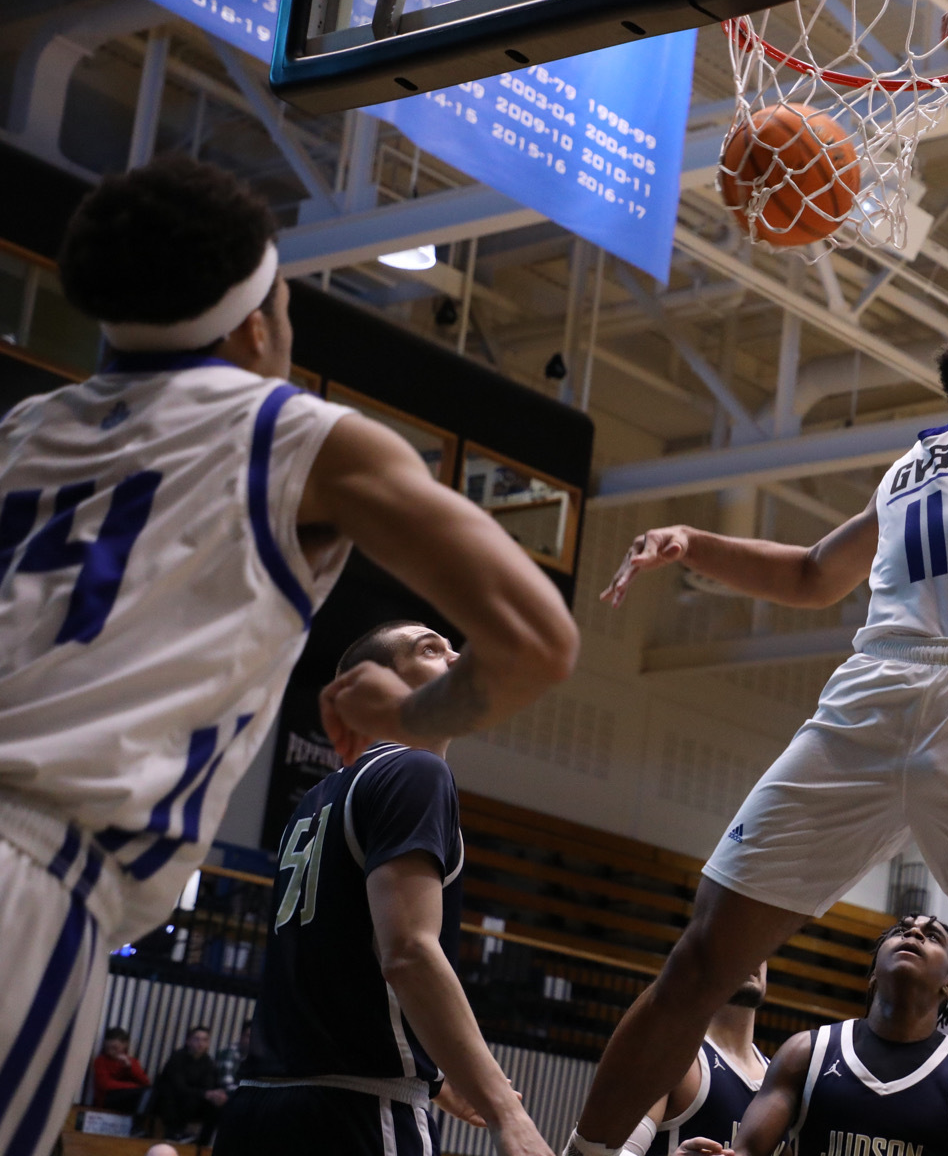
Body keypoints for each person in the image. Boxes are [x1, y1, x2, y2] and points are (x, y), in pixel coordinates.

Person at [572, 0, 948, 1156]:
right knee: (704, 954)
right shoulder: (915, 460)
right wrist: (698, 544)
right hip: (874, 690)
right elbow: (817, 574)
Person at [0, 156, 578, 1156]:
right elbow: (538, 639)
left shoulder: (25, 429)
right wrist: (407, 719)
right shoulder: (293, 434)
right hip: (29, 865)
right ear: (255, 322)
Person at [217, 622, 553, 1156]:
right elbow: (409, 954)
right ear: (378, 686)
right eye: (431, 648)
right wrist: (506, 1114)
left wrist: (438, 1078)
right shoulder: (415, 772)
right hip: (355, 1113)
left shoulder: (315, 799)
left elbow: (335, 962)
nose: (458, 656)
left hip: (258, 1109)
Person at [727, 915, 948, 1156]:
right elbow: (746, 1151)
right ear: (873, 973)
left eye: (933, 936)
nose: (914, 932)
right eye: (901, 930)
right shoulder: (807, 1053)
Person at [625, 964, 769, 1156]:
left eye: (761, 943)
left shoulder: (783, 1078)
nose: (754, 954)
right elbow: (612, 1151)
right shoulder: (671, 1052)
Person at [155, 1026, 225, 1143]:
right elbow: (178, 1087)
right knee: (181, 1097)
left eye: (204, 1040)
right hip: (173, 1100)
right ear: (188, 1041)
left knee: (218, 1105)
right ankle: (174, 1134)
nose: (200, 1043)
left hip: (197, 1100)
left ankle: (204, 1142)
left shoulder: (208, 1061)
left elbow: (212, 1084)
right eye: (196, 1039)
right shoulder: (177, 1058)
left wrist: (217, 1094)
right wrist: (205, 1093)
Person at [92, 1027, 151, 1115]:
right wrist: (133, 1086)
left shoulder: (131, 1061)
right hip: (108, 1098)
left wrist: (130, 1067)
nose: (110, 1051)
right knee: (140, 1092)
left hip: (129, 1097)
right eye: (107, 1048)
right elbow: (105, 1084)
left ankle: (139, 1121)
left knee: (149, 1092)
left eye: (115, 1048)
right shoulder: (100, 1061)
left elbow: (146, 1082)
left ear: (125, 1045)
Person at [213, 1021, 251, 1093]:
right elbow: (227, 1084)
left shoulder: (256, 1055)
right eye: (248, 1036)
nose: (252, 1040)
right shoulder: (229, 1053)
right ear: (241, 1036)